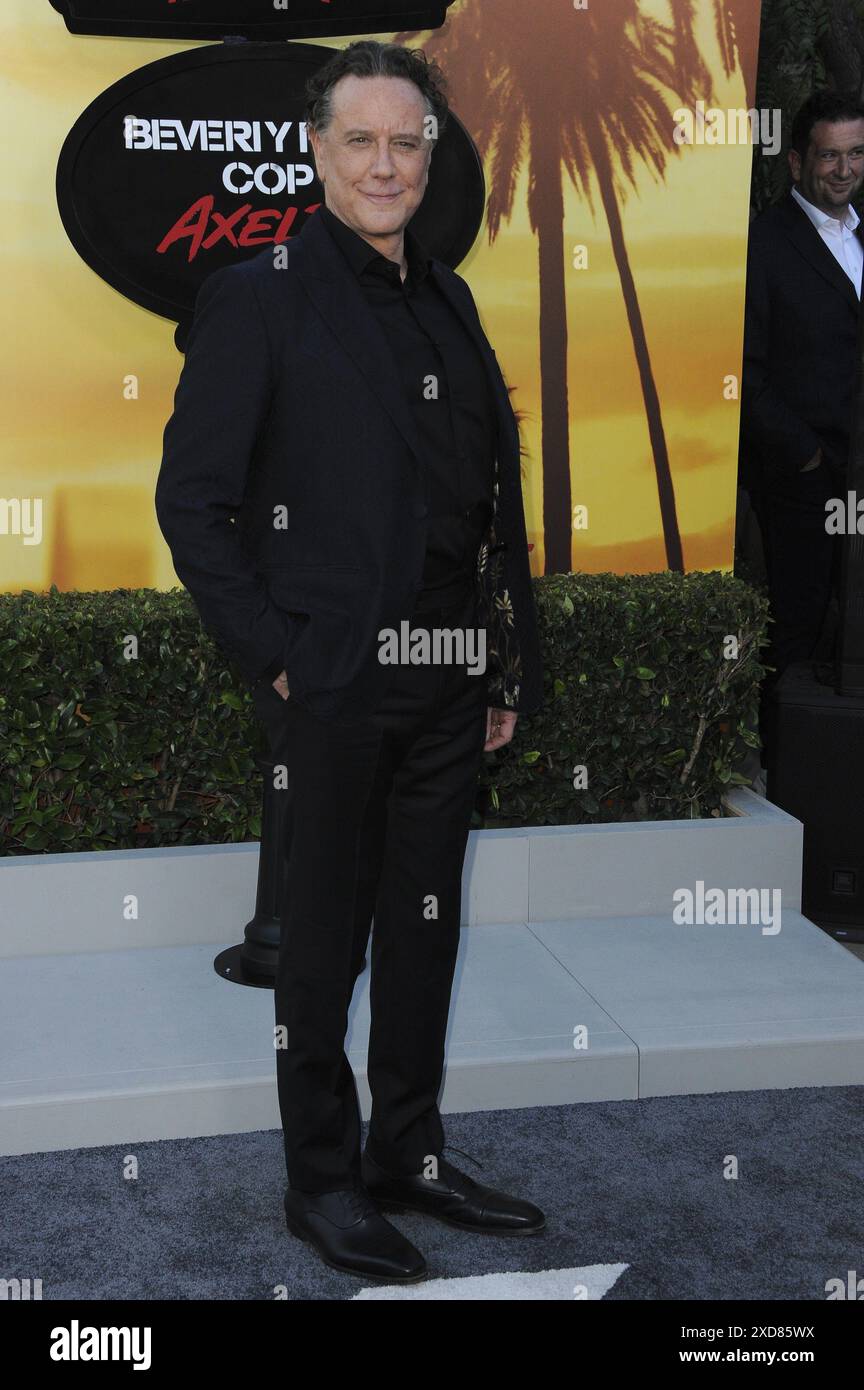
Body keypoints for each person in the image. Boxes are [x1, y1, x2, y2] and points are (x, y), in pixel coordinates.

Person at [155, 40, 545, 1284]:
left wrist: (499, 665)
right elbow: (194, 502)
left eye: (407, 142)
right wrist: (277, 660)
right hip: (331, 677)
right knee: (322, 947)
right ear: (316, 151)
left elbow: (483, 500)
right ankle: (320, 1178)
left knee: (426, 928)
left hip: (448, 669)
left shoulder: (449, 294)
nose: (387, 163)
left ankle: (407, 1155)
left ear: (431, 157)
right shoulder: (259, 292)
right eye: (362, 140)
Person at [739, 90, 864, 765]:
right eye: (828, 156)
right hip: (803, 485)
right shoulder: (766, 242)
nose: (843, 169)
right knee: (797, 638)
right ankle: (786, 780)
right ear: (796, 162)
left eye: (855, 153)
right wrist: (807, 458)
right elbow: (745, 372)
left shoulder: (862, 232)